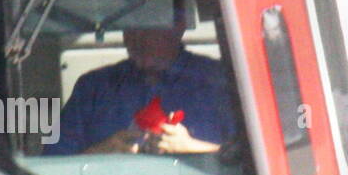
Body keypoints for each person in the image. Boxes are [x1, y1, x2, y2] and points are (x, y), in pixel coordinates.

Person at [44, 20, 242, 156]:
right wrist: (101, 154)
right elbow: (50, 168)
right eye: (130, 27)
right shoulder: (93, 88)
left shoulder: (220, 82)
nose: (138, 38)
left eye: (149, 28)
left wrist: (194, 150)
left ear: (178, 28)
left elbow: (258, 165)